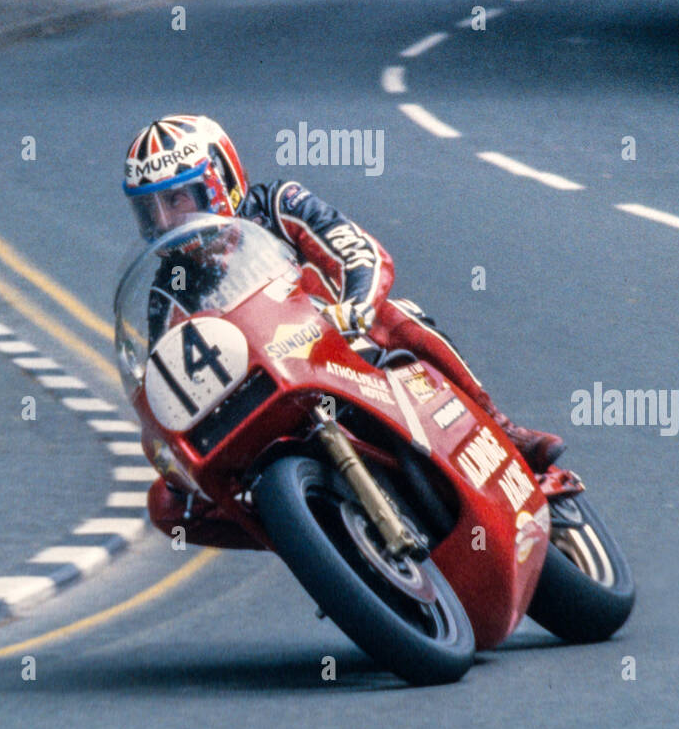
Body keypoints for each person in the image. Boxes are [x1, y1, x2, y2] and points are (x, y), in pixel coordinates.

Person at [123, 115, 567, 550]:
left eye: (178, 199)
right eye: (151, 208)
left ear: (221, 181)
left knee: (395, 315)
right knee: (166, 505)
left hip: (343, 353)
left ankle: (502, 430)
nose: (165, 222)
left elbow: (357, 249)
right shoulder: (170, 287)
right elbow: (165, 384)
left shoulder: (278, 204)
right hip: (263, 405)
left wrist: (356, 305)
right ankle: (309, 540)